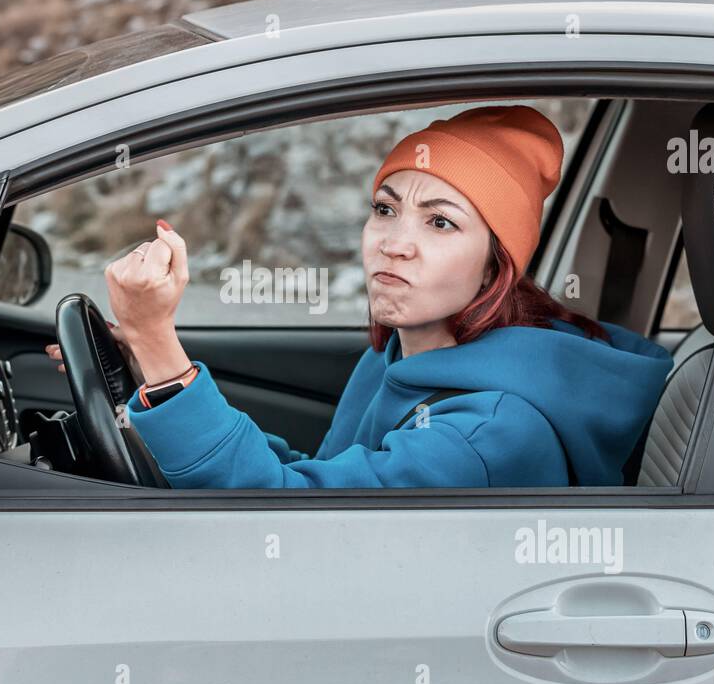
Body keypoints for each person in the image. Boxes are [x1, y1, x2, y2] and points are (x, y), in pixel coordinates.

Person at [47, 105, 672, 488]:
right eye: (385, 209)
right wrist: (150, 373)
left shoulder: (486, 435)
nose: (394, 244)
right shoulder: (401, 357)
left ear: (494, 266)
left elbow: (285, 518)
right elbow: (317, 474)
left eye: (441, 222)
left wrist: (163, 347)